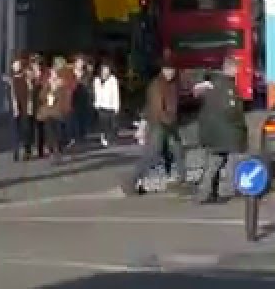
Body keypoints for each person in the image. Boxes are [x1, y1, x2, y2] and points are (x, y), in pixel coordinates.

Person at [194, 58, 248, 204]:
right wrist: (242, 127)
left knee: (213, 164)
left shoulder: (211, 86)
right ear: (230, 69)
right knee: (233, 163)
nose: (237, 72)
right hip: (228, 134)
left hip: (212, 134)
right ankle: (234, 190)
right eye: (236, 69)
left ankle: (206, 193)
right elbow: (232, 111)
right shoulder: (228, 87)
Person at [124, 65, 184, 195]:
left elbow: (176, 103)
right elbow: (157, 108)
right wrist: (169, 122)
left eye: (172, 70)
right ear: (162, 70)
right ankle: (131, 182)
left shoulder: (174, 84)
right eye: (167, 70)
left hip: (169, 123)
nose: (170, 73)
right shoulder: (156, 85)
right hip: (159, 124)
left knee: (177, 152)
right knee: (151, 155)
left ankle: (181, 180)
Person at [6, 58, 36, 161]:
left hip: (26, 108)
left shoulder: (27, 78)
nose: (17, 68)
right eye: (15, 66)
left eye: (18, 66)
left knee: (26, 130)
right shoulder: (12, 80)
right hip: (16, 108)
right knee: (16, 131)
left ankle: (27, 151)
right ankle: (16, 151)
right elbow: (10, 95)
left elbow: (31, 92)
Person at [93, 63, 121, 147]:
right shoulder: (97, 80)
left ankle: (113, 138)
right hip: (101, 106)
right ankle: (104, 137)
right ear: (101, 71)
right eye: (104, 70)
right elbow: (96, 93)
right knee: (103, 124)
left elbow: (116, 93)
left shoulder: (113, 79)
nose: (106, 72)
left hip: (111, 106)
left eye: (107, 70)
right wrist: (96, 104)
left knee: (113, 124)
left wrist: (116, 106)